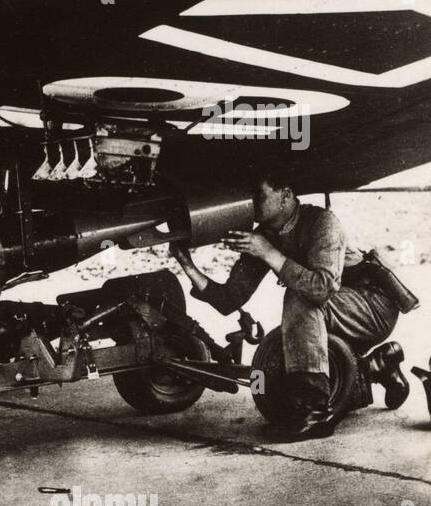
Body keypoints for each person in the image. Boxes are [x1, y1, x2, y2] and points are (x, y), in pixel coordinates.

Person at [171, 168, 411, 440]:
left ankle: (316, 413)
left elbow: (321, 288)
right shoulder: (265, 236)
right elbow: (229, 300)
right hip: (339, 310)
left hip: (372, 306)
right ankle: (378, 366)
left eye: (258, 196)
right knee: (301, 313)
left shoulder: (323, 222)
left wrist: (268, 253)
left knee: (301, 299)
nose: (251, 202)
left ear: (285, 196)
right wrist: (187, 264)